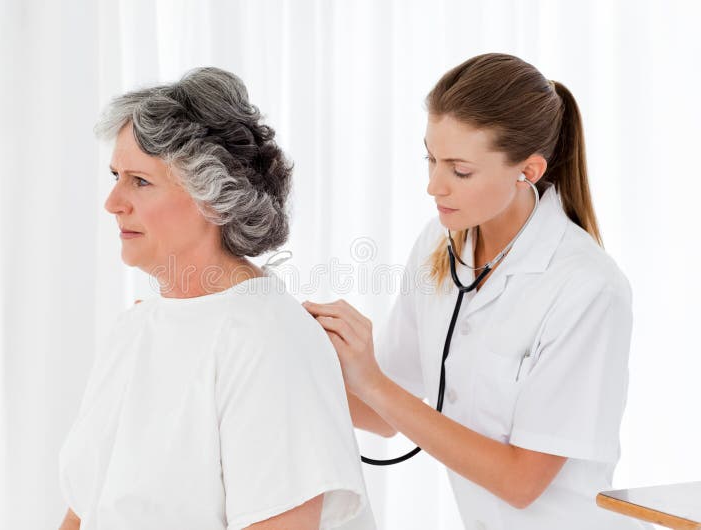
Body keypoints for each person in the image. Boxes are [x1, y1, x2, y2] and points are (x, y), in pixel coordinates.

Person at [303, 53, 650, 529]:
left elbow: (521, 482)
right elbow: (385, 412)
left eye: (459, 171)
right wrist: (283, 356)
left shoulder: (587, 288)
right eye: (430, 158)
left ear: (527, 170)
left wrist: (373, 382)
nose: (433, 185)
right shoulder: (439, 244)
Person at [58, 67, 375, 530]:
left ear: (213, 195)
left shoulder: (268, 341)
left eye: (139, 181)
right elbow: (85, 510)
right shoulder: (134, 330)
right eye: (114, 176)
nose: (112, 202)